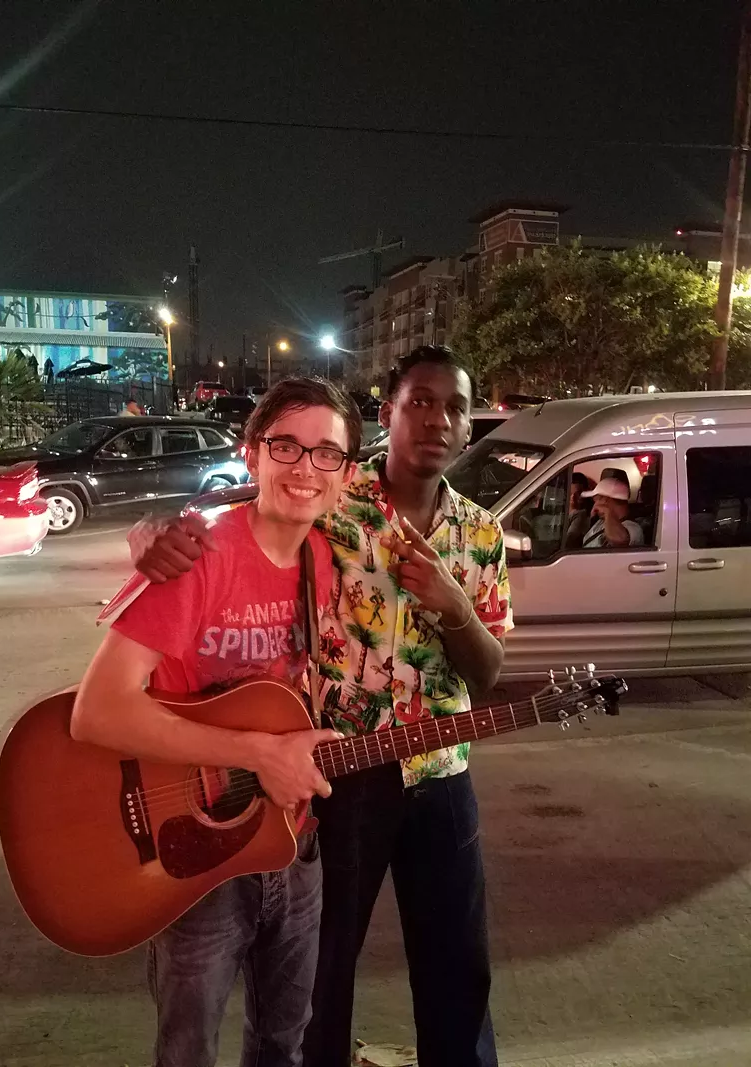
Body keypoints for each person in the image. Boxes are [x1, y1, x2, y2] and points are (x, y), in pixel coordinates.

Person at [131, 347, 513, 1067]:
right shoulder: (336, 501)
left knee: (458, 963)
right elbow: (247, 512)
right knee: (324, 970)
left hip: (439, 775)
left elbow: (490, 674)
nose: (438, 419)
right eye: (420, 402)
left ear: (468, 428)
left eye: (455, 407)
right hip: (343, 771)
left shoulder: (482, 536)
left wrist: (455, 605)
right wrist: (159, 529)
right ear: (389, 414)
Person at [72, 377, 362, 1067]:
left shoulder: (323, 559)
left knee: (283, 1040)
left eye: (327, 453)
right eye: (286, 445)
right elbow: (99, 708)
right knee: (187, 1048)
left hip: (289, 844)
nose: (304, 467)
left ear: (346, 475)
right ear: (251, 452)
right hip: (193, 850)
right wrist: (258, 751)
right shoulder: (197, 554)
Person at [581, 476, 644, 549]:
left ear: (605, 500)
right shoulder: (602, 521)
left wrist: (607, 511)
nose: (595, 505)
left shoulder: (633, 528)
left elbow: (619, 540)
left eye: (597, 500)